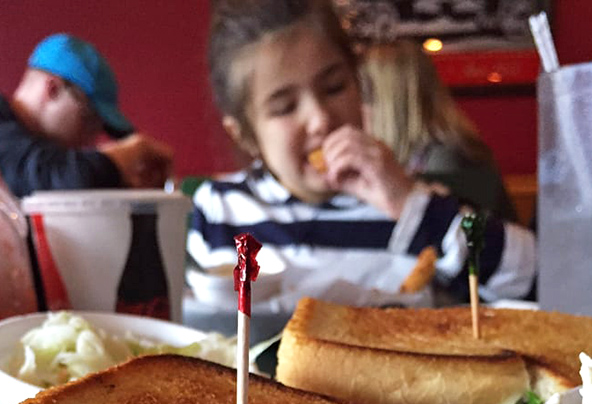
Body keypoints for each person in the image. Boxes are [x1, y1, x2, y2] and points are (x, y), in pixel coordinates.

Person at [187, 0, 535, 305]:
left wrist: (410, 203)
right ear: (246, 134)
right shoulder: (218, 210)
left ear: (358, 85)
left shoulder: (411, 207)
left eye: (335, 87)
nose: (320, 119)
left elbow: (534, 277)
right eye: (284, 107)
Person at [0, 33, 173, 197]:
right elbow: (54, 176)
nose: (91, 138)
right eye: (88, 119)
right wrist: (124, 156)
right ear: (52, 89)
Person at [360, 40, 518, 221]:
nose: (355, 108)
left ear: (390, 104)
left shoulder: (444, 161)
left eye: (364, 97)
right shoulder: (430, 152)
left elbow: (451, 243)